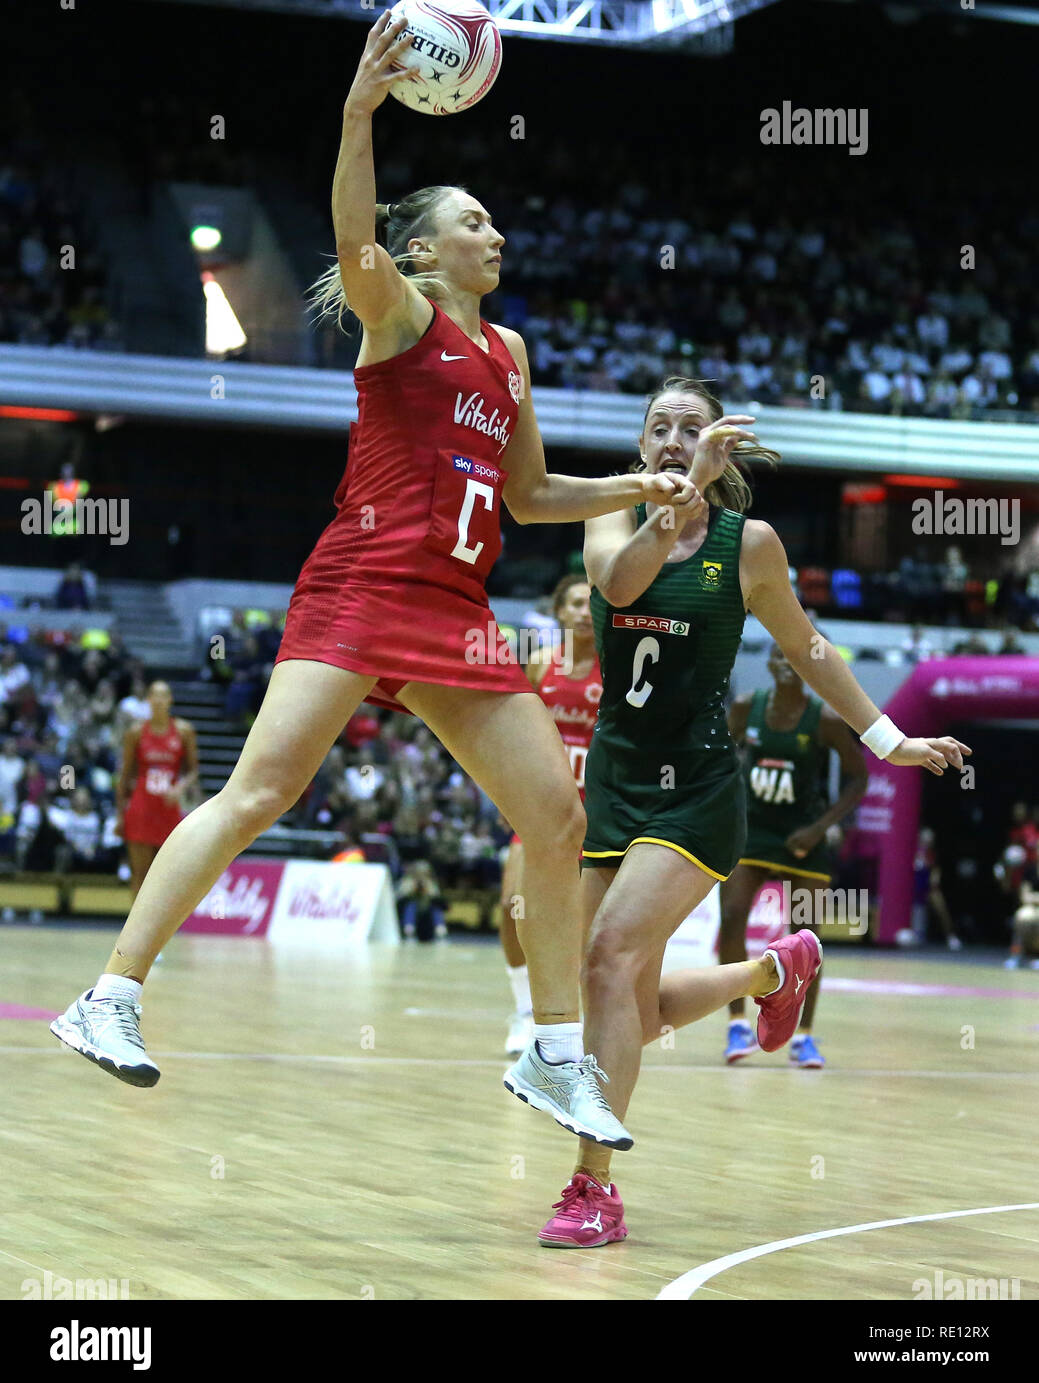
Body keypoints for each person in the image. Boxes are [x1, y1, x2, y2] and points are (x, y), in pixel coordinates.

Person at [50, 12, 690, 1151]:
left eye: (491, 219)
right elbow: (354, 234)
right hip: (360, 581)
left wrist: (641, 484)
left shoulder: (510, 356)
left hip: (454, 609)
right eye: (474, 221)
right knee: (260, 792)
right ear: (429, 250)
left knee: (555, 816)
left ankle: (550, 1055)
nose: (494, 232)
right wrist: (358, 111)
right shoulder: (394, 312)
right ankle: (111, 996)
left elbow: (533, 496)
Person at [535, 377, 972, 1248]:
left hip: (697, 790)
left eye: (687, 428)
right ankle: (766, 977)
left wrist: (888, 743)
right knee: (627, 1003)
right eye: (656, 427)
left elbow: (807, 647)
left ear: (715, 448)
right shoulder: (609, 517)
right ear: (640, 444)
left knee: (604, 959)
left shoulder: (749, 543)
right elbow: (619, 593)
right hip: (615, 785)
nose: (668, 439)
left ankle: (593, 1189)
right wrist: (669, 498)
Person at [718, 642, 869, 1069]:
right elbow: (719, 762)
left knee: (806, 937)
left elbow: (858, 779)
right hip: (752, 833)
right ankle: (736, 1025)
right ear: (768, 662)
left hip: (804, 837)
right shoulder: (747, 707)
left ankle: (803, 1035)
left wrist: (820, 828)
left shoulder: (825, 719)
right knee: (731, 917)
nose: (787, 663)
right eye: (780, 656)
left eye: (795, 657)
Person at [499, 573, 601, 1056]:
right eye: (575, 603)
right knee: (511, 907)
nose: (584, 610)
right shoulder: (541, 665)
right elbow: (517, 737)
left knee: (578, 922)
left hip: (595, 810)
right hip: (543, 805)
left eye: (591, 603)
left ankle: (565, 1021)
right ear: (559, 611)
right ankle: (523, 1011)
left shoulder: (618, 669)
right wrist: (508, 792)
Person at [114, 681, 199, 902]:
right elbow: (125, 776)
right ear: (149, 700)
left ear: (170, 700)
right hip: (141, 808)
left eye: (164, 696)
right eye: (155, 696)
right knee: (140, 873)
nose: (159, 700)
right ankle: (136, 930)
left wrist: (179, 787)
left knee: (165, 875)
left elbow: (193, 771)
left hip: (168, 809)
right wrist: (119, 815)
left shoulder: (183, 731)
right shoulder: (135, 732)